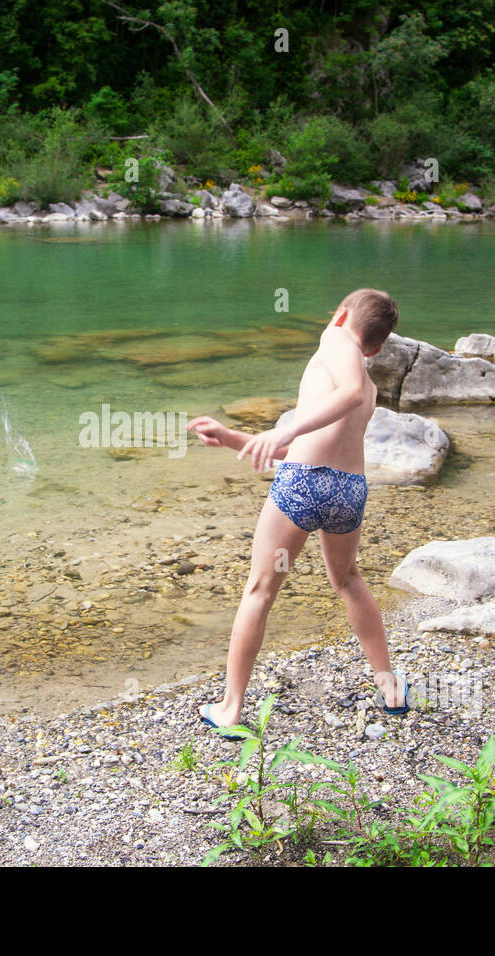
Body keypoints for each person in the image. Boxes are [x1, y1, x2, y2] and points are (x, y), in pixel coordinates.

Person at [186, 288, 407, 739]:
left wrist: (283, 426)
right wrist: (232, 437)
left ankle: (230, 709)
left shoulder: (335, 340)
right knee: (348, 579)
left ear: (341, 314)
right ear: (379, 347)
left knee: (260, 590)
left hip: (305, 482)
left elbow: (308, 429)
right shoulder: (370, 386)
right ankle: (389, 685)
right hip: (348, 490)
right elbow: (299, 443)